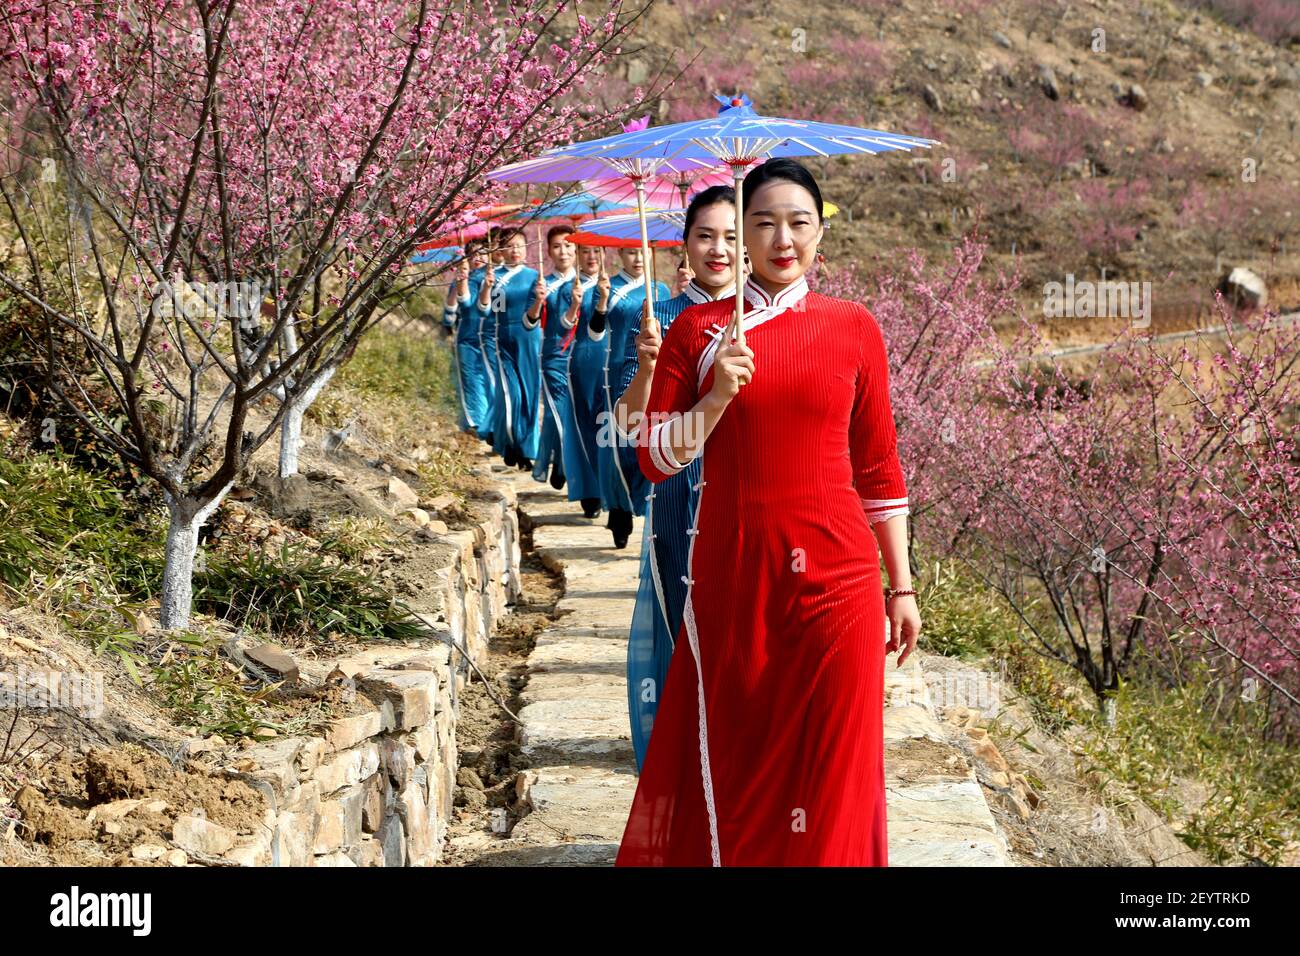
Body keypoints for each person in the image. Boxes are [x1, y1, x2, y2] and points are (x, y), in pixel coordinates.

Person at [615, 158, 922, 866]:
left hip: (841, 579)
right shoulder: (698, 330)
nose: (783, 239)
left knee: (836, 765)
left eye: (800, 223)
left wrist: (899, 585)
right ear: (744, 234)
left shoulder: (855, 328)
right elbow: (655, 459)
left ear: (821, 233)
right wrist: (716, 395)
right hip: (736, 571)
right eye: (765, 223)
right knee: (742, 758)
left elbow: (878, 469)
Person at [611, 185, 737, 773]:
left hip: (749, 495)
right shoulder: (656, 318)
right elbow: (629, 423)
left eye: (733, 237)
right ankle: (684, 764)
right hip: (681, 496)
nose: (720, 250)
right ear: (683, 246)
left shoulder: (763, 316)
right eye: (706, 236)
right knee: (683, 625)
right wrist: (646, 370)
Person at [591, 246, 669, 548]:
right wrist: (600, 302)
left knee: (646, 441)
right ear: (619, 256)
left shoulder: (661, 291)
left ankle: (644, 504)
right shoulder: (609, 287)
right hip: (614, 375)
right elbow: (594, 333)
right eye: (630, 253)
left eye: (643, 253)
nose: (638, 259)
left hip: (650, 373)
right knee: (615, 444)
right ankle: (619, 513)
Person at [479, 228, 542, 469]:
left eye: (519, 246)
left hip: (530, 338)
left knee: (529, 394)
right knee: (510, 394)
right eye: (510, 246)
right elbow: (491, 310)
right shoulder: (496, 277)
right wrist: (488, 288)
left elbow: (535, 313)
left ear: (526, 249)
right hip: (503, 338)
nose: (515, 251)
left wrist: (539, 298)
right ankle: (510, 443)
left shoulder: (535, 277)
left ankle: (527, 449)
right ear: (501, 250)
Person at [561, 243, 607, 518]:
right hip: (583, 361)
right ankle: (591, 490)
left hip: (614, 363)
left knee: (612, 430)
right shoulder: (571, 287)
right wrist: (575, 304)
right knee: (587, 427)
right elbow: (562, 326)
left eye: (596, 251)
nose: (591, 256)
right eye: (586, 251)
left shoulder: (614, 285)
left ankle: (613, 490)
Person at [530, 225, 579, 490]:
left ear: (576, 249)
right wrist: (538, 301)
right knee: (555, 414)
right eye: (558, 246)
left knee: (574, 416)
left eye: (569, 245)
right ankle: (562, 466)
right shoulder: (542, 284)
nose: (564, 251)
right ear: (549, 251)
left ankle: (561, 464)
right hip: (553, 357)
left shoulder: (589, 284)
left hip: (582, 359)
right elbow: (529, 322)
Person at [451, 242, 492, 438]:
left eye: (483, 253)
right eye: (473, 254)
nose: (478, 257)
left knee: (490, 379)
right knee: (472, 381)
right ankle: (477, 423)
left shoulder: (495, 277)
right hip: (468, 335)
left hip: (491, 336)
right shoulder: (461, 278)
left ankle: (494, 422)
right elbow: (465, 305)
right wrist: (463, 280)